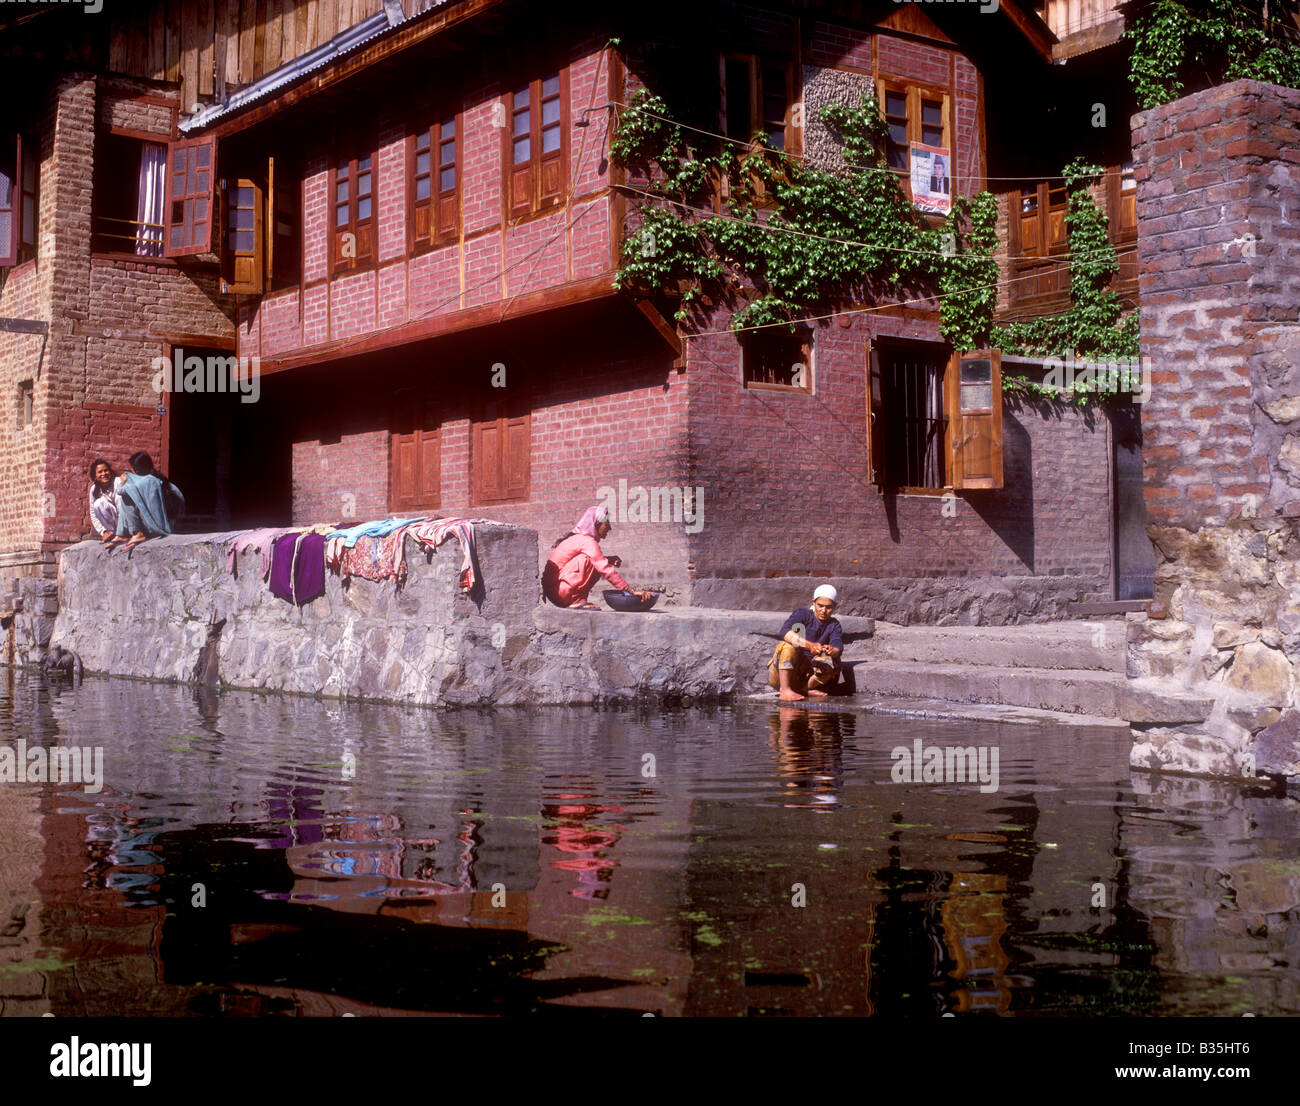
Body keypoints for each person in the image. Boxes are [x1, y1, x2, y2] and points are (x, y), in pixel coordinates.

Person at [542, 505, 653, 610]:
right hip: (560, 593)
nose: (609, 528)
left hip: (557, 593)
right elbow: (603, 567)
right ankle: (575, 602)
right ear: (596, 524)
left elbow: (600, 561)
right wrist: (631, 591)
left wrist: (608, 559)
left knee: (596, 561)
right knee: (592, 561)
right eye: (607, 524)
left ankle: (576, 600)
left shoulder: (581, 538)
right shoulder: (587, 541)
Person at [768, 584, 843, 701]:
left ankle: (804, 688)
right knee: (787, 646)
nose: (824, 610)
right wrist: (810, 645)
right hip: (783, 674)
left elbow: (838, 646)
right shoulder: (803, 615)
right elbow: (785, 632)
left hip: (807, 675)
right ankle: (785, 690)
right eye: (820, 606)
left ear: (835, 606)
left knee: (836, 662)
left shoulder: (834, 625)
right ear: (813, 602)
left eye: (829, 607)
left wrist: (832, 651)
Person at [114, 450, 184, 552]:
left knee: (127, 497)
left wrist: (123, 482)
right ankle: (124, 533)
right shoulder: (158, 479)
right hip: (169, 523)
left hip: (156, 527)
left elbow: (121, 491)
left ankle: (134, 533)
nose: (130, 470)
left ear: (137, 469)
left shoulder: (146, 481)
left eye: (131, 467)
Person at [88, 458, 120, 544]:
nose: (104, 474)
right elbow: (93, 513)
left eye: (106, 470)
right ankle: (111, 533)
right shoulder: (94, 489)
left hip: (125, 523)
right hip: (113, 527)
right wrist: (103, 531)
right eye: (100, 472)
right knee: (97, 504)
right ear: (95, 476)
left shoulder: (117, 482)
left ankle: (122, 533)